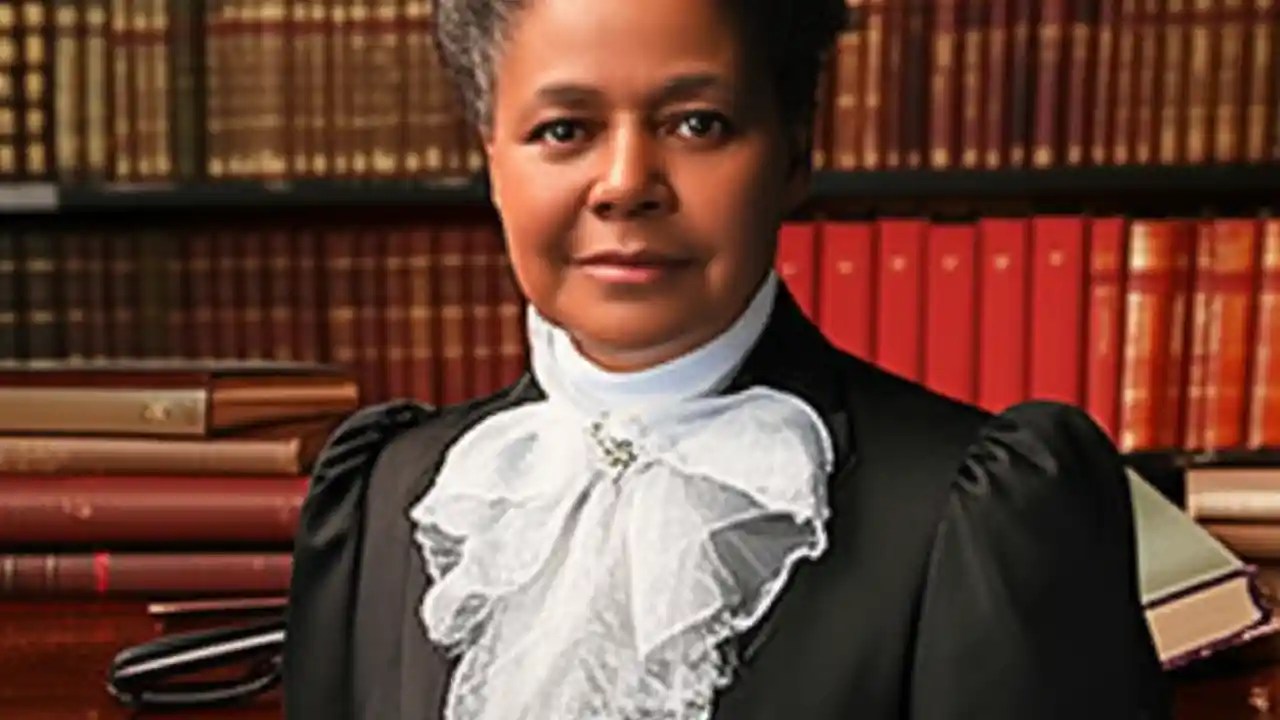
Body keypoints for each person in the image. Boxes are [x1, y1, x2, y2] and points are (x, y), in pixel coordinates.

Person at [282, 0, 1172, 717]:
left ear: (794, 153)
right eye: (563, 130)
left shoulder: (980, 516)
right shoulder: (390, 498)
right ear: (492, 163)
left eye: (698, 124)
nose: (627, 182)